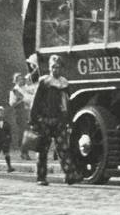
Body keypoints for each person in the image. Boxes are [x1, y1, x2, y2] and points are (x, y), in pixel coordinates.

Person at [29, 55, 79, 186]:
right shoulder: (44, 82)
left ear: (61, 68)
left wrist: (69, 119)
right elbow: (36, 101)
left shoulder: (64, 83)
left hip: (59, 120)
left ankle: (70, 175)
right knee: (42, 149)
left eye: (57, 67)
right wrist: (33, 119)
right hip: (44, 120)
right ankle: (41, 177)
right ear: (49, 68)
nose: (55, 69)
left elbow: (68, 103)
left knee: (63, 148)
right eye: (52, 67)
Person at [8, 73, 34, 159]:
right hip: (20, 112)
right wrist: (21, 100)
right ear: (15, 80)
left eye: (22, 79)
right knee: (23, 132)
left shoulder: (26, 88)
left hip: (28, 112)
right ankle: (23, 152)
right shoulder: (14, 90)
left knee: (30, 132)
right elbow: (12, 104)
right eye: (19, 79)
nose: (21, 81)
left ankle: (26, 151)